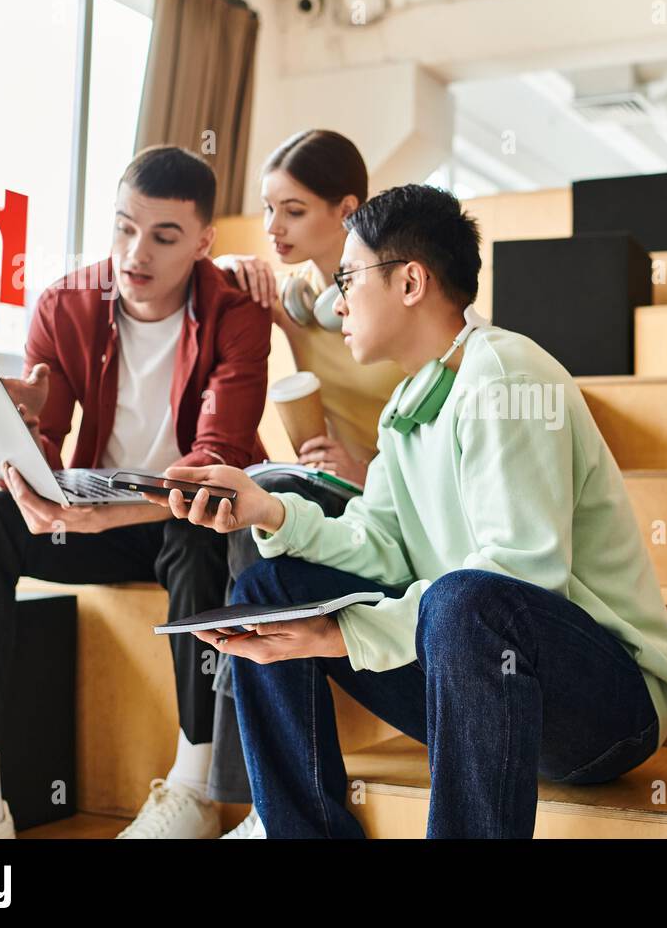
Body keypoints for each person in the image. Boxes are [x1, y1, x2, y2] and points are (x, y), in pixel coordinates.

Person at [144, 183, 667, 838]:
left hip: (604, 712)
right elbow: (378, 545)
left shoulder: (507, 377)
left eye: (348, 278)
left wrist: (344, 634)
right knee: (269, 591)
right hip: (480, 681)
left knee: (463, 601)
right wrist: (268, 512)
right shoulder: (408, 404)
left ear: (410, 282)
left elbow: (522, 579)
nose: (337, 302)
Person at [0, 146, 271, 839]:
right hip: (91, 518)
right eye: (124, 227)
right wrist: (25, 435)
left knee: (198, 533)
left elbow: (217, 459)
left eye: (164, 236)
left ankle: (192, 787)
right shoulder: (67, 304)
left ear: (203, 242)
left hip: (188, 519)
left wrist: (108, 517)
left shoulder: (235, 314)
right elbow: (40, 456)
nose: (136, 253)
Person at [203, 130, 405, 838]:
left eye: (293, 211)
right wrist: (230, 263)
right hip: (328, 489)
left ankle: (267, 799)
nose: (273, 227)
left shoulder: (399, 305)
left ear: (346, 210)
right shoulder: (297, 299)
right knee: (245, 506)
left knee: (258, 515)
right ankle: (268, 799)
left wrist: (369, 470)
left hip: (391, 498)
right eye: (267, 210)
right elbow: (213, 281)